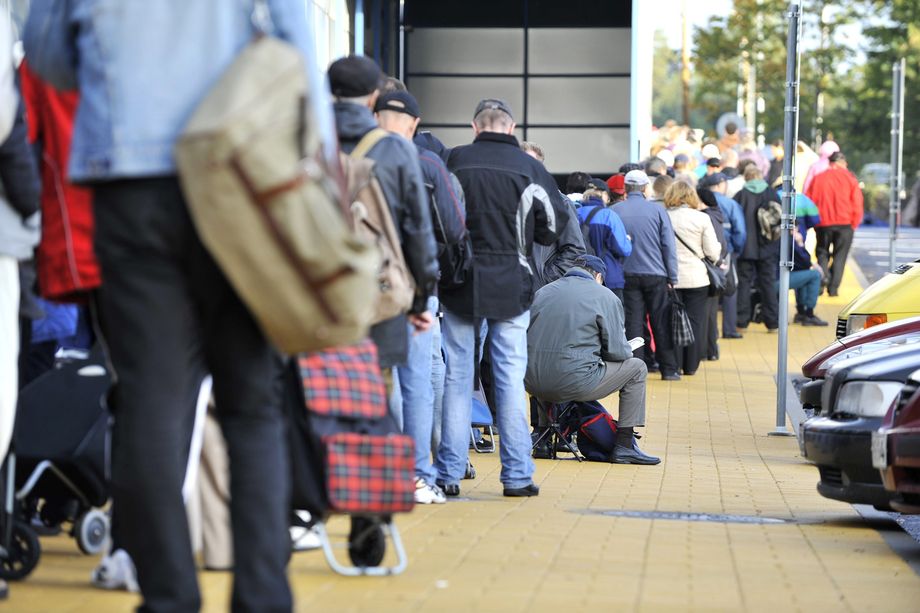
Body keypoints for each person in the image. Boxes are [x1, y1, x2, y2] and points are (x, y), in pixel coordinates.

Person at [23, 3, 333, 609]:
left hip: (131, 183)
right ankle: (263, 595)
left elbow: (49, 56)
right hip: (239, 172)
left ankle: (167, 596)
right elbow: (296, 49)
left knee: (149, 403)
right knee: (251, 402)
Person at [436, 98, 567, 498]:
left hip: (460, 284)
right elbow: (552, 227)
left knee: (458, 378)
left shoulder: (454, 162)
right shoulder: (530, 169)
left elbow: (438, 218)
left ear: (474, 127)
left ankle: (449, 473)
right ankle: (517, 476)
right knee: (509, 378)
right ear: (511, 128)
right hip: (513, 284)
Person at [375, 89, 465, 505]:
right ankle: (416, 473)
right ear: (413, 123)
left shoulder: (344, 152)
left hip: (357, 286)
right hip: (412, 286)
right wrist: (429, 284)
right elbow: (451, 229)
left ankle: (378, 469)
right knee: (418, 379)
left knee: (378, 377)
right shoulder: (426, 163)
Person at [329, 56, 439, 374]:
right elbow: (417, 231)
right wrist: (419, 301)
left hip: (315, 294)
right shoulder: (396, 150)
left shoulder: (304, 143)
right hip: (378, 293)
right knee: (376, 388)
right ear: (373, 99)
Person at [525, 255, 659, 465]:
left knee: (547, 363)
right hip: (574, 381)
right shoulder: (605, 296)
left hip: (531, 380)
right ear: (598, 276)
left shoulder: (543, 292)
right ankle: (624, 446)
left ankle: (542, 440)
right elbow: (618, 353)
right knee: (637, 368)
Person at [613, 170, 680, 381]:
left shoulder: (615, 210)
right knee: (660, 321)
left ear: (626, 188)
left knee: (633, 322)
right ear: (644, 188)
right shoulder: (658, 211)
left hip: (627, 273)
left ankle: (636, 370)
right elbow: (668, 245)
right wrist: (672, 275)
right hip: (656, 274)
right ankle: (669, 369)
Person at [664, 182, 720, 375]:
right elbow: (712, 252)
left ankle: (675, 363)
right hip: (697, 278)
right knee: (695, 321)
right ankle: (691, 366)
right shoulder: (702, 218)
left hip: (671, 278)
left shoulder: (664, 216)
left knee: (672, 321)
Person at [521, 141, 586, 290]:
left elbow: (575, 249)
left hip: (538, 292)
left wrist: (546, 280)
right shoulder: (503, 198)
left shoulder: (560, 203)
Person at [804, 151, 863, 297]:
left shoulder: (818, 178)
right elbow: (857, 202)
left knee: (822, 252)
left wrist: (811, 222)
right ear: (842, 163)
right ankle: (833, 288)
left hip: (823, 224)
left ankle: (822, 280)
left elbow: (809, 200)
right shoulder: (850, 179)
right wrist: (854, 223)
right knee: (840, 256)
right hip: (845, 224)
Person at [699, 172, 746, 339]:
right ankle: (729, 329)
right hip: (726, 252)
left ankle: (708, 334)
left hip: (703, 254)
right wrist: (736, 250)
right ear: (720, 185)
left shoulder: (699, 202)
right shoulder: (730, 204)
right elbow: (740, 231)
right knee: (730, 289)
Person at [734, 164, 781, 331]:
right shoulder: (771, 193)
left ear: (746, 177)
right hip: (768, 246)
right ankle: (773, 323)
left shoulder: (740, 195)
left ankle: (741, 322)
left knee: (744, 284)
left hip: (746, 248)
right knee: (768, 284)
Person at [577, 183, 632, 301]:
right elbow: (624, 249)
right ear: (605, 195)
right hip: (608, 277)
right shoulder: (609, 215)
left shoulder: (575, 213)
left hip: (579, 275)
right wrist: (627, 240)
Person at [787, 227, 829, 326]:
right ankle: (809, 314)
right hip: (777, 280)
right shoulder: (788, 240)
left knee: (804, 273)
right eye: (796, 230)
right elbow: (805, 261)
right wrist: (800, 243)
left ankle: (801, 312)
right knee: (815, 275)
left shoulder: (781, 238)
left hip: (772, 278)